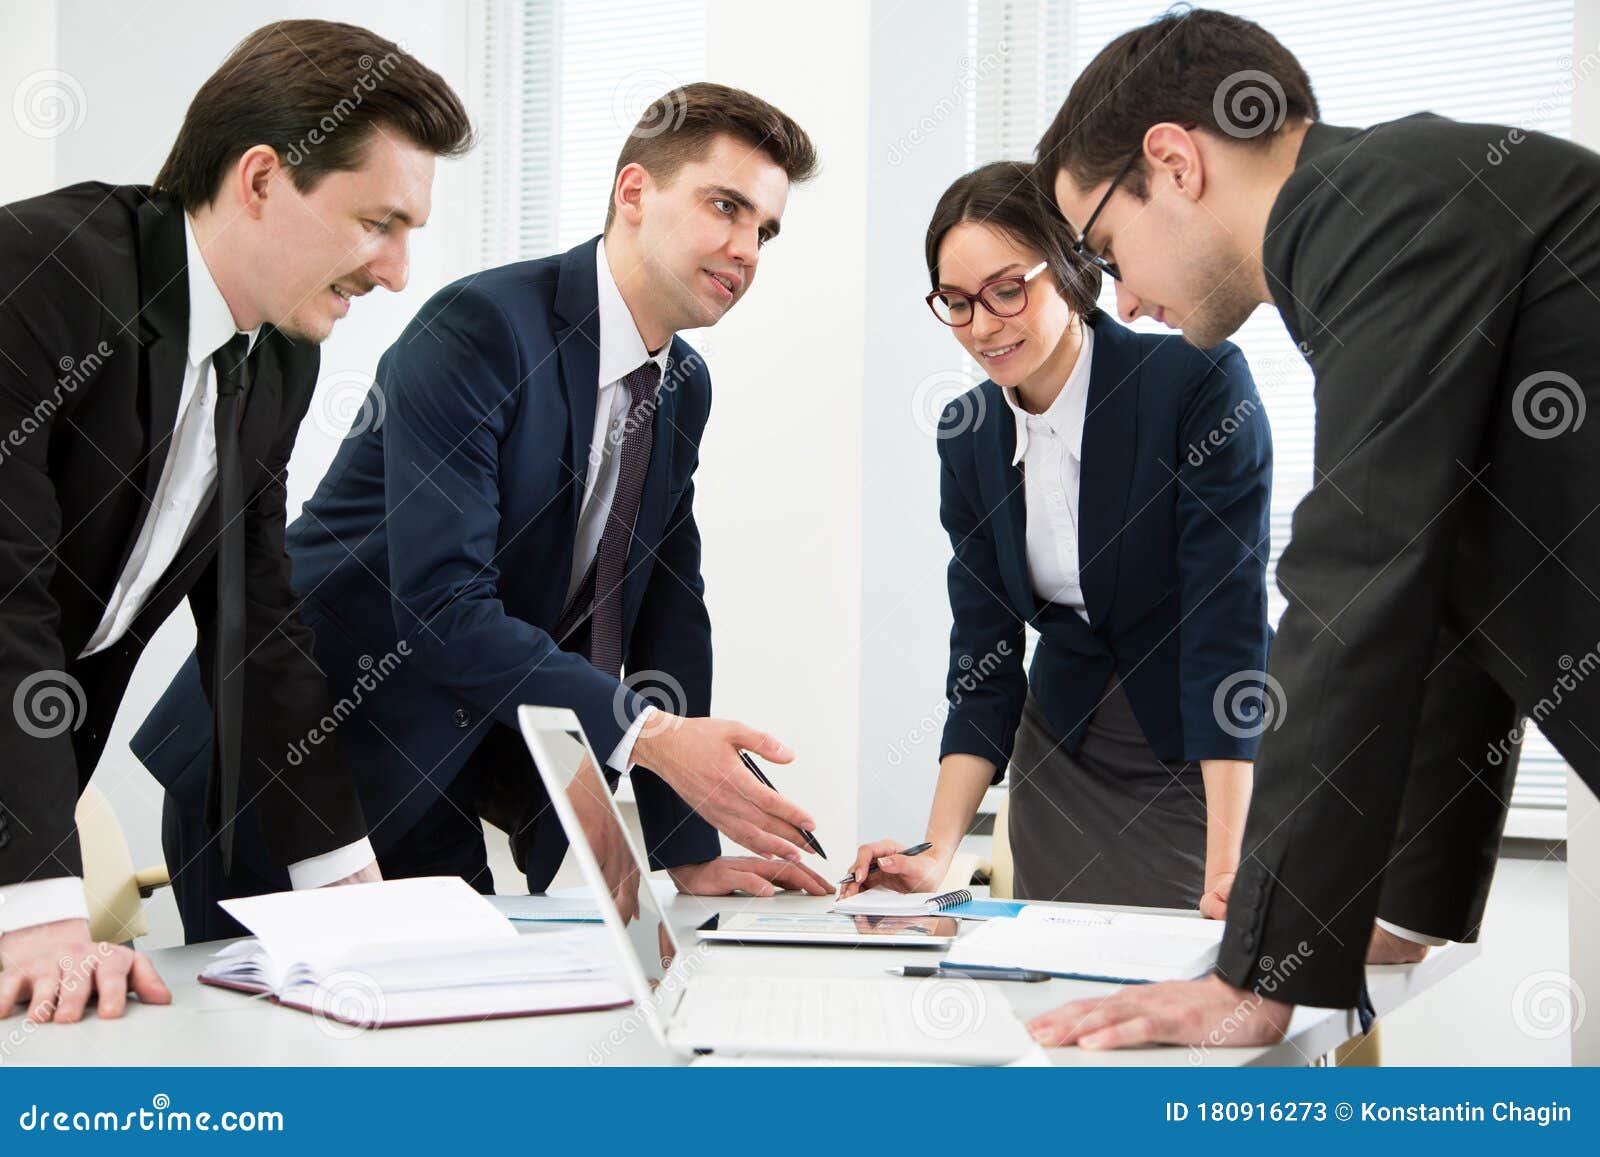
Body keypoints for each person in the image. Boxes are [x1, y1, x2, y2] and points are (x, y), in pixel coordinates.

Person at [136, 83, 833, 943]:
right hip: (292, 756)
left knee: (458, 1039)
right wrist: (649, 737)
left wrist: (684, 845)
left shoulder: (682, 386)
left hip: (438, 771)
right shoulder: (485, 326)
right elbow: (442, 606)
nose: (745, 248)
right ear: (635, 192)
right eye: (725, 206)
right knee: (279, 1053)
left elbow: (664, 608)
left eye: (764, 229)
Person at [1029, 6, 1600, 1050]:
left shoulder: (1387, 206)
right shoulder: (1392, 210)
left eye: (1105, 245)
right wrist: (1392, 912)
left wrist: (1261, 965)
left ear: (1172, 161)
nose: (1122, 296)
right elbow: (1434, 587)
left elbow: (1357, 573)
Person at [0, 20, 472, 1022]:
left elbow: (259, 624)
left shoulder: (275, 358)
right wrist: (42, 904)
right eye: (377, 222)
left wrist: (346, 884)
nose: (396, 271)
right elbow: (5, 599)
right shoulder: (39, 271)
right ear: (262, 180)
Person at [843, 162, 1271, 916]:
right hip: (1067, 759)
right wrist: (938, 850)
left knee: (1197, 997)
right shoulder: (968, 433)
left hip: (1206, 752)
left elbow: (1224, 627)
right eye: (957, 302)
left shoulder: (1194, 383)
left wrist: (1229, 866)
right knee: (1056, 995)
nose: (982, 324)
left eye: (1008, 289)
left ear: (1073, 269)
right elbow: (984, 650)